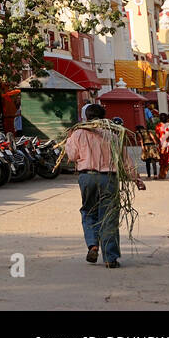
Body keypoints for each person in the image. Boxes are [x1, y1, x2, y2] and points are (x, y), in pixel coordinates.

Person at [64, 104, 146, 269]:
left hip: (87, 177)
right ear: (103, 117)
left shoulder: (78, 134)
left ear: (86, 117)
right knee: (109, 216)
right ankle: (110, 258)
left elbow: (72, 156)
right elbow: (125, 160)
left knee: (88, 211)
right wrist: (137, 179)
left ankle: (93, 245)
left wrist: (69, 139)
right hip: (109, 178)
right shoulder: (113, 135)